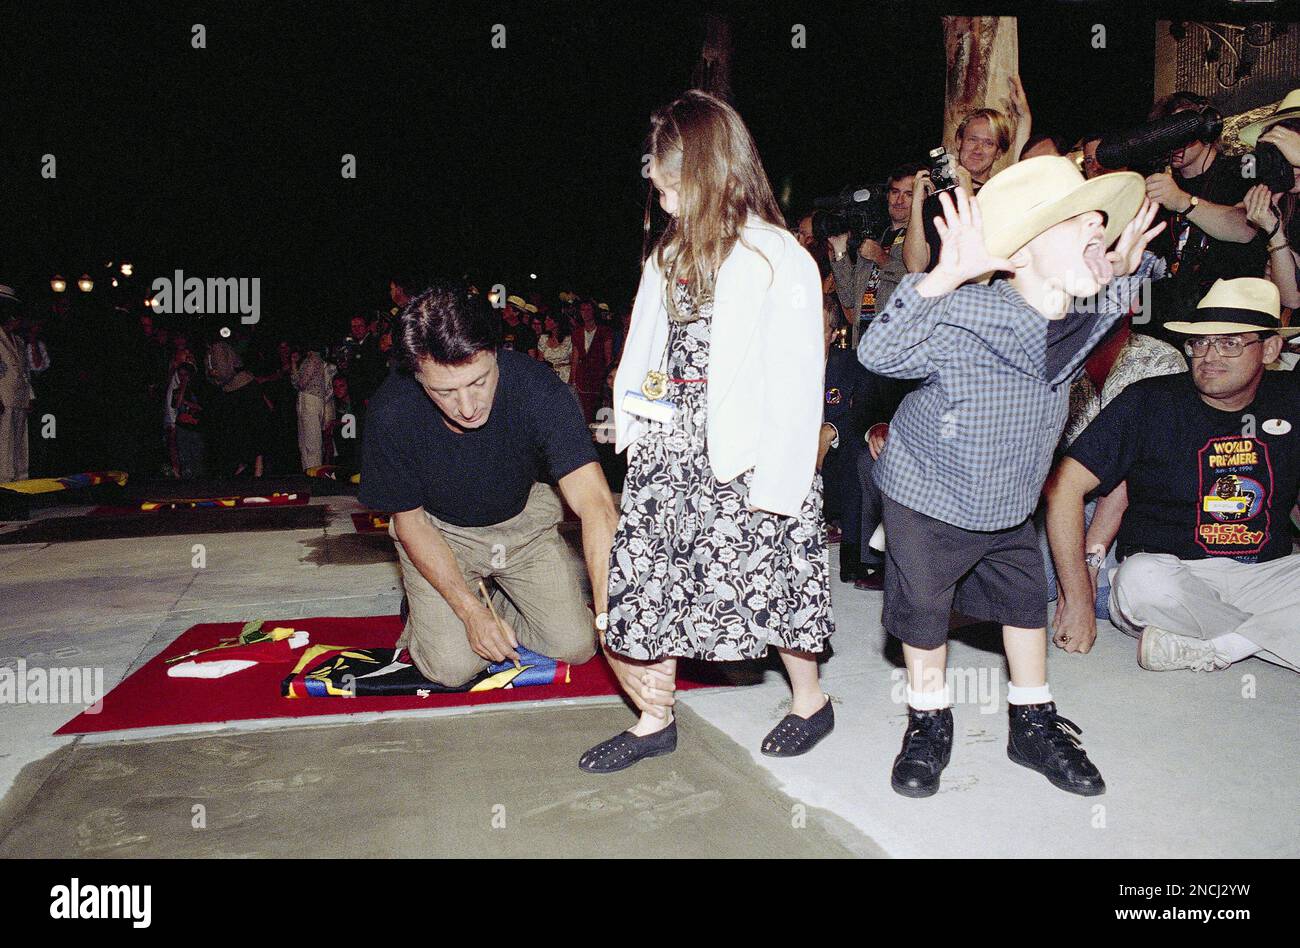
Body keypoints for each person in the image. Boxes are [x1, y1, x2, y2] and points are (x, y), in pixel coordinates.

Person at [861, 156, 1164, 797]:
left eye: (1098, 223)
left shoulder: (1068, 318)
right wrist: (941, 277)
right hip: (928, 493)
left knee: (1024, 604)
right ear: (1019, 254)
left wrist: (1120, 278)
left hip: (1008, 500)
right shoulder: (969, 313)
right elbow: (876, 354)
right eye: (1077, 224)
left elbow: (1072, 340)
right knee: (923, 611)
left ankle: (1031, 720)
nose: (1098, 231)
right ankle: (927, 721)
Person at [583, 89, 833, 773]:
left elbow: (796, 377)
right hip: (674, 443)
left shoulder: (778, 256)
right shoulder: (668, 256)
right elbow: (649, 354)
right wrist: (643, 423)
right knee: (654, 572)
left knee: (774, 574)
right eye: (658, 189)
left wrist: (783, 478)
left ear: (714, 171)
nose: (664, 203)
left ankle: (809, 699)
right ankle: (654, 715)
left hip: (751, 450)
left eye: (672, 187)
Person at [360, 281, 618, 688]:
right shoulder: (391, 412)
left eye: (478, 383)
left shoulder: (539, 389)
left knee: (577, 645)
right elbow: (411, 524)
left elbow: (597, 504)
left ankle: (496, 598)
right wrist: (469, 612)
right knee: (452, 668)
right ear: (417, 376)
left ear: (496, 353)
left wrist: (609, 611)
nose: (466, 407)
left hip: (522, 528)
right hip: (440, 534)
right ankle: (439, 607)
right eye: (444, 391)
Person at [1047, 278, 1300, 674]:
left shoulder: (1291, 397)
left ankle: (1218, 645)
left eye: (1230, 342)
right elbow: (1064, 486)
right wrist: (1078, 597)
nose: (1209, 356)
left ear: (1269, 349)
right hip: (1171, 573)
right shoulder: (1151, 399)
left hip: (1263, 574)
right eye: (1199, 343)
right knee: (1140, 580)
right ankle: (1248, 639)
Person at [829, 163, 923, 344]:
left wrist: (882, 258)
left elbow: (921, 283)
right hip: (864, 342)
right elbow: (849, 299)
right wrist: (840, 251)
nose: (900, 200)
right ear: (887, 196)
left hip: (899, 342)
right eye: (895, 192)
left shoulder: (922, 242)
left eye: (909, 194)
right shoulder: (875, 241)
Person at [0, 286, 32, 482]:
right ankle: (4, 482)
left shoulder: (19, 341)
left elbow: (25, 371)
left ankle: (20, 482)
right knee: (4, 445)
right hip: (4, 398)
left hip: (19, 397)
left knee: (20, 445)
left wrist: (31, 396)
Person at [570, 299, 613, 423]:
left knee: (598, 411)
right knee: (582, 411)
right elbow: (575, 358)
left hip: (598, 377)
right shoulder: (577, 333)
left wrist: (607, 380)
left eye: (589, 310)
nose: (585, 313)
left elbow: (608, 358)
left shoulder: (605, 331)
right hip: (582, 377)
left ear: (594, 312)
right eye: (583, 310)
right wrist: (572, 379)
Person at [292, 343, 333, 471]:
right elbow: (296, 382)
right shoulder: (308, 359)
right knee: (304, 442)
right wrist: (294, 364)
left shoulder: (314, 358)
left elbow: (301, 383)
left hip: (311, 400)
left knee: (312, 441)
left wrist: (294, 367)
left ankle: (315, 472)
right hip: (305, 400)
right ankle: (309, 472)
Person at [537, 312, 574, 383]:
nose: (545, 322)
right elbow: (540, 360)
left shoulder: (569, 339)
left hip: (565, 375)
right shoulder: (543, 338)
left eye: (548, 320)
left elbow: (573, 362)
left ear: (557, 323)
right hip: (548, 374)